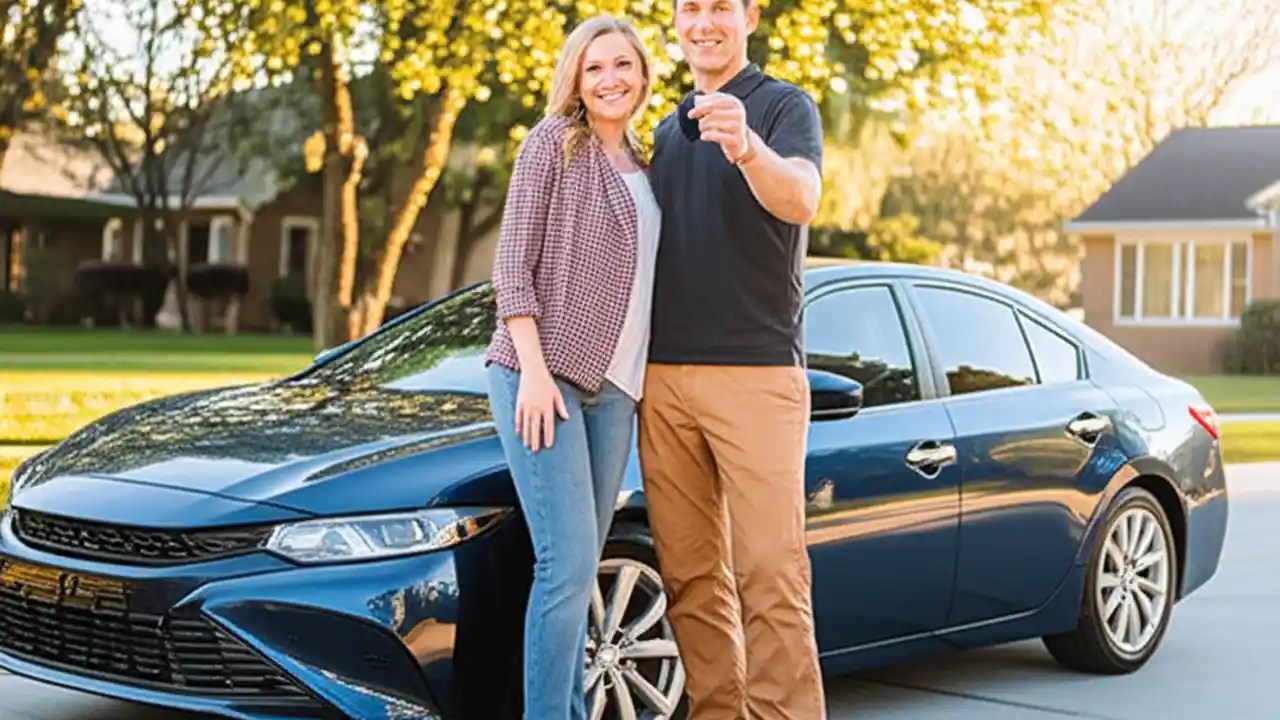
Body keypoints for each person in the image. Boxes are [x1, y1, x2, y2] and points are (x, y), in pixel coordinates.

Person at [638, 0, 827, 718]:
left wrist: (747, 148)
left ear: (750, 16)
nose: (704, 22)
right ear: (677, 22)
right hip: (662, 380)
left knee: (771, 574)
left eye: (721, 6)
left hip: (756, 375)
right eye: (690, 7)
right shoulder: (663, 130)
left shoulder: (782, 108)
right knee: (689, 577)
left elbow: (802, 197)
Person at [483, 13, 661, 720]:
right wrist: (531, 370)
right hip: (543, 377)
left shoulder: (650, 163)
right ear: (576, 81)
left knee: (581, 567)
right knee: (565, 563)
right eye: (595, 68)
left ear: (644, 74)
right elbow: (511, 267)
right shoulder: (552, 146)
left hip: (617, 390)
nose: (610, 79)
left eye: (622, 65)